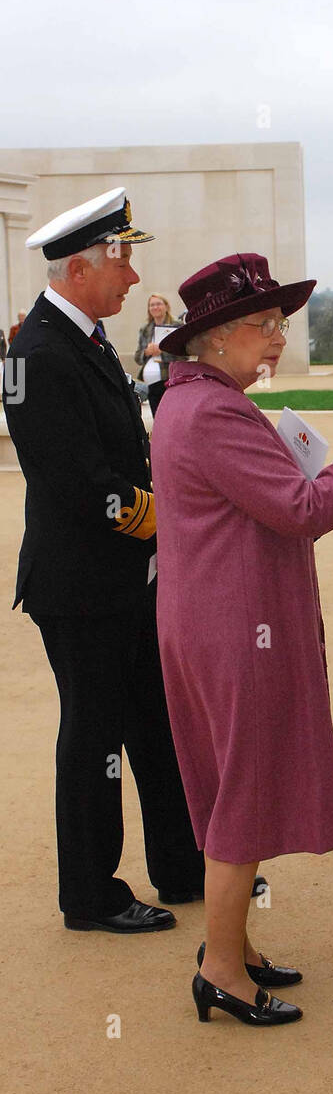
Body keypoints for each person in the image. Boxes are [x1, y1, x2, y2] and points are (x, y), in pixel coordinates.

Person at [151, 252, 333, 1027]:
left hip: (211, 621)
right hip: (235, 630)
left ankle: (236, 945)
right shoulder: (216, 411)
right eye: (262, 326)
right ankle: (222, 969)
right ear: (216, 336)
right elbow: (299, 509)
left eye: (278, 325)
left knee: (233, 780)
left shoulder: (189, 401)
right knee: (242, 790)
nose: (276, 340)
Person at [2, 186, 204, 933]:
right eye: (121, 264)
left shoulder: (81, 339)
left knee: (155, 722)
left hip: (124, 578)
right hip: (82, 586)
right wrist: (169, 523)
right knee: (94, 738)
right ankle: (89, 894)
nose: (130, 279)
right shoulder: (36, 355)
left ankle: (184, 868)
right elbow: (79, 485)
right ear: (82, 269)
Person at [135, 294, 183, 416]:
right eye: (152, 305)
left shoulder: (177, 326)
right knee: (156, 418)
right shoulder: (145, 329)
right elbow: (137, 357)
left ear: (166, 306)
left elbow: (184, 354)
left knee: (170, 415)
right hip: (150, 382)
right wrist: (147, 352)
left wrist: (162, 350)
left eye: (158, 304)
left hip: (169, 377)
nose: (155, 307)